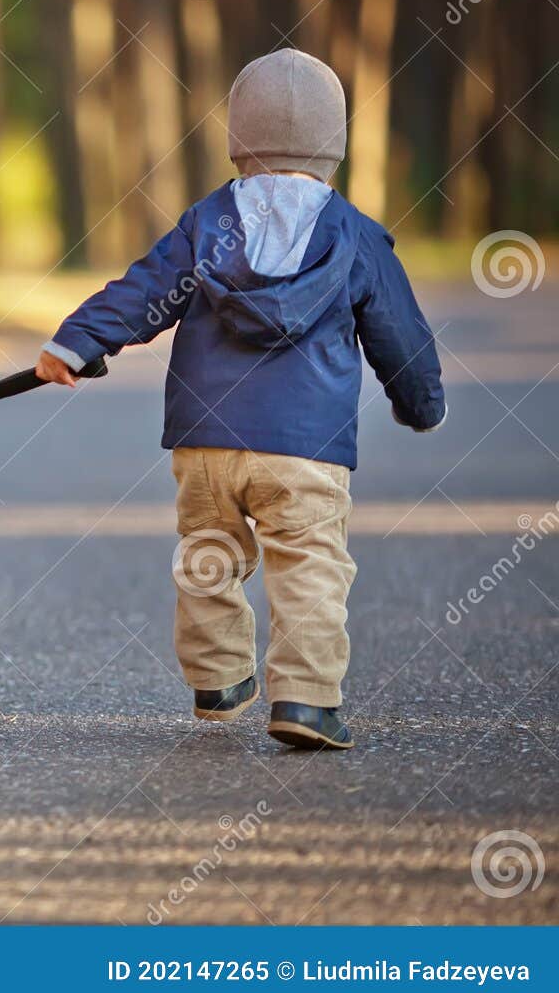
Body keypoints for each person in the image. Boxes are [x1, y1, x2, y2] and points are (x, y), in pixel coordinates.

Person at [35, 48, 446, 750]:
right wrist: (421, 404)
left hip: (206, 439)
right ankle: (306, 702)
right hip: (306, 448)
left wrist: (76, 343)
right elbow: (399, 335)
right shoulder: (354, 235)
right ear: (334, 145)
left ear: (238, 140)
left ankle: (219, 678)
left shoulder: (208, 223)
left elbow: (143, 293)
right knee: (309, 563)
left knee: (208, 551)